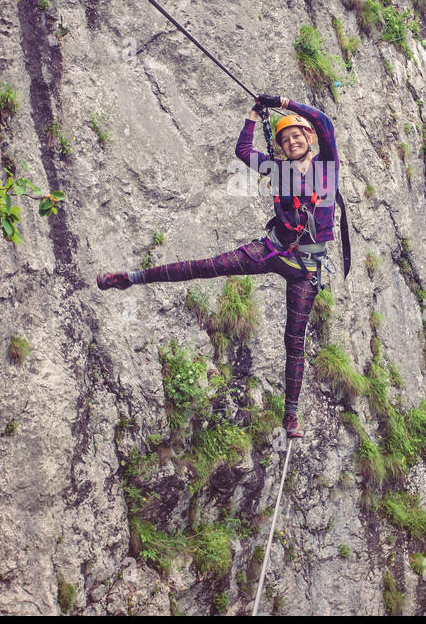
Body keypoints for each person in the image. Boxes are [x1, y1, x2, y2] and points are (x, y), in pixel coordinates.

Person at [96, 94, 339, 439]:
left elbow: (325, 123)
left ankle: (291, 416)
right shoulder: (278, 170)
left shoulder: (327, 167)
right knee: (207, 267)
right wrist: (253, 115)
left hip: (306, 268)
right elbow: (243, 151)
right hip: (273, 250)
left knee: (294, 341)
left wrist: (285, 103)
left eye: (297, 136)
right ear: (281, 148)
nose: (292, 141)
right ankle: (131, 278)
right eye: (285, 139)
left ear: (309, 138)